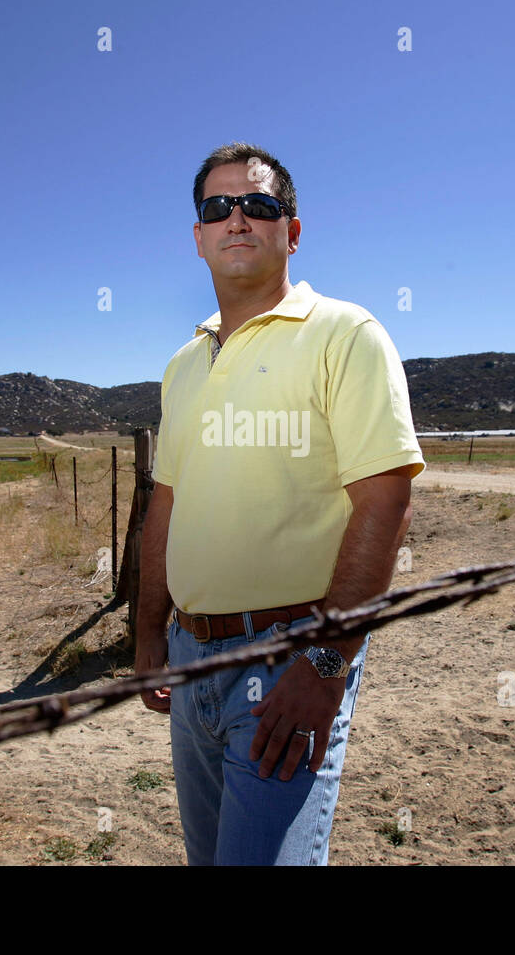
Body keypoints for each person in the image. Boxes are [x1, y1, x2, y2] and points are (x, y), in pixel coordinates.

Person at [134, 142, 425, 865]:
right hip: (188, 654)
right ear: (197, 237)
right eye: (217, 207)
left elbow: (385, 501)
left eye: (259, 205)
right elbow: (164, 505)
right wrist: (147, 637)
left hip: (290, 658)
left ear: (291, 231)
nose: (237, 218)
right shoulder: (183, 363)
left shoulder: (345, 334)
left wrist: (325, 663)